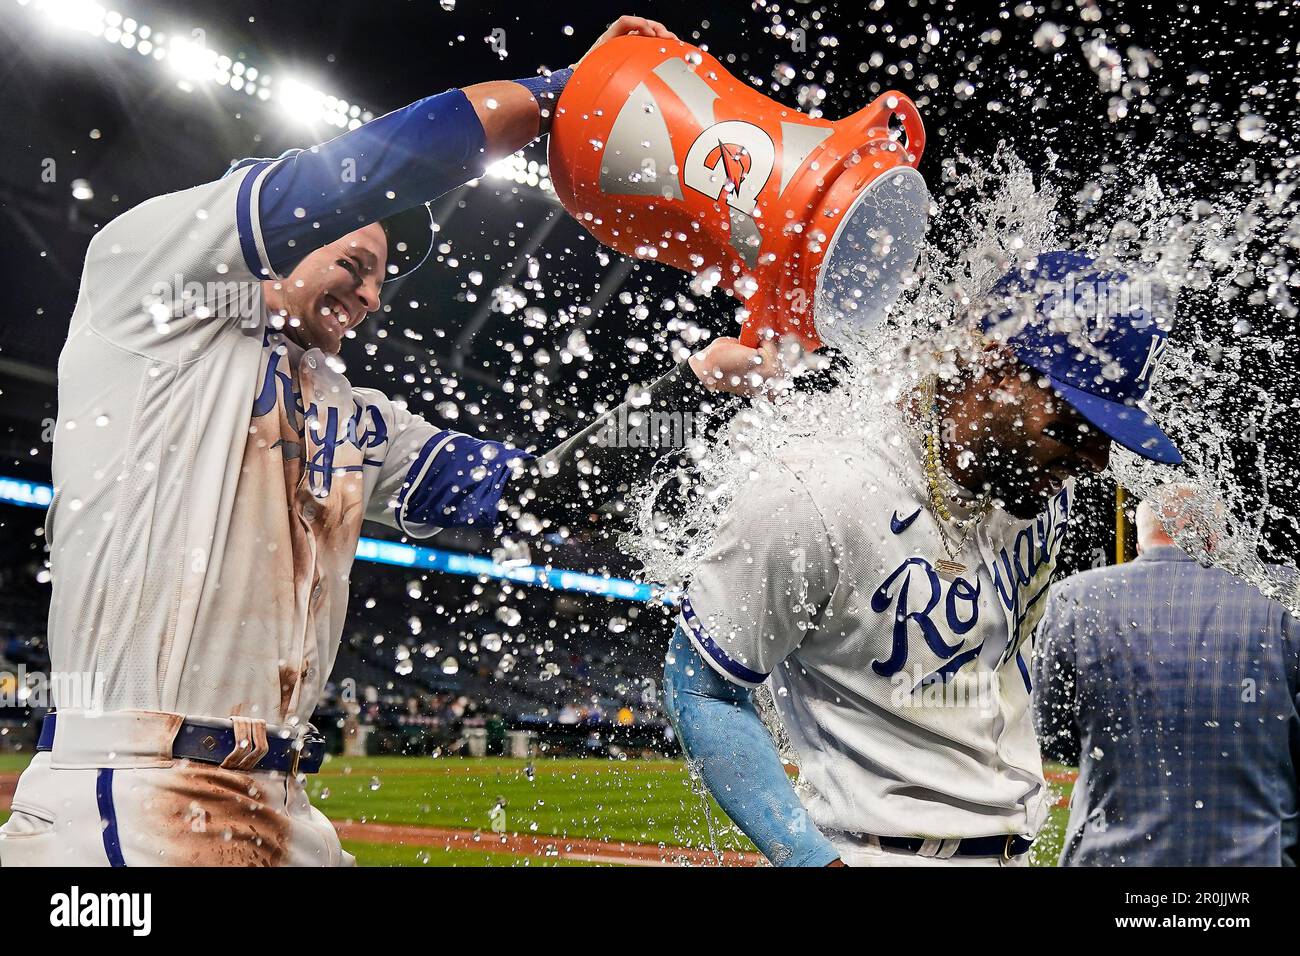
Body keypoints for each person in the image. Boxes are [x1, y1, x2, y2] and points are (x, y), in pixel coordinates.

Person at [0, 15, 782, 867]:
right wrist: (576, 91)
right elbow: (368, 167)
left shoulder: (358, 414)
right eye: (357, 261)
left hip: (282, 804)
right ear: (278, 230)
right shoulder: (154, 285)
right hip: (131, 790)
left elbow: (542, 493)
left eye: (382, 279)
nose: (372, 296)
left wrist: (699, 383)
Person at [663, 250, 1184, 867]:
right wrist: (808, 861)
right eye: (1073, 426)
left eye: (1108, 434)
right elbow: (700, 689)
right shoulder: (816, 491)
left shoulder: (1039, 487)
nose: (1093, 461)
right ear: (994, 367)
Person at [1034, 488, 1300, 866]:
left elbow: (1051, 736)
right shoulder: (1282, 597)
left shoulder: (1074, 600)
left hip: (1110, 858)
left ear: (1140, 543)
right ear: (1216, 539)